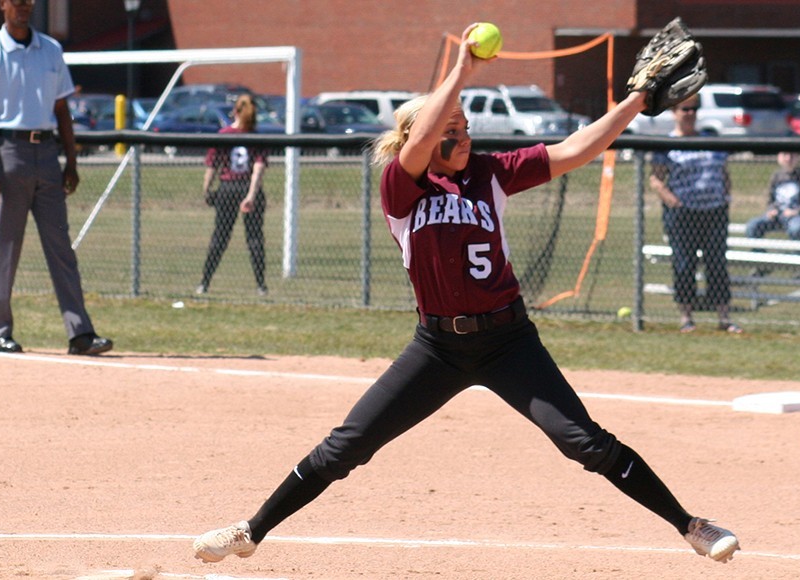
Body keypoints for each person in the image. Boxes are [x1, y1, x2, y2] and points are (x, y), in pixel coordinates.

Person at [192, 24, 739, 565]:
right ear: (420, 140)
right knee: (347, 447)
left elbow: (575, 149)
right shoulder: (400, 187)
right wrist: (462, 71)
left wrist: (638, 99)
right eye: (453, 126)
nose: (466, 134)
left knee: (585, 443)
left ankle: (690, 525)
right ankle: (251, 530)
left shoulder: (490, 174)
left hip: (509, 342)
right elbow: (423, 138)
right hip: (436, 349)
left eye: (466, 124)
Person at [0, 0, 112, 356]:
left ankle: (81, 333)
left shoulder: (51, 50)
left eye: (29, 1)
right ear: (2, 5)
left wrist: (71, 160)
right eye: (17, 1)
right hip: (9, 153)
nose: (24, 7)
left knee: (61, 246)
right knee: (7, 247)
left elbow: (62, 110)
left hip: (46, 153)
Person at [648, 95, 741, 334]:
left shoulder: (710, 139)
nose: (689, 114)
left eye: (693, 109)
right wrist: (673, 202)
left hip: (714, 212)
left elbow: (724, 172)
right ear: (674, 112)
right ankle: (686, 317)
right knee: (684, 264)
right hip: (683, 215)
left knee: (717, 264)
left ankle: (724, 317)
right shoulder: (667, 144)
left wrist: (727, 196)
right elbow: (656, 180)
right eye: (684, 109)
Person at [196, 94, 269, 296]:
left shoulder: (224, 134)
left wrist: (207, 190)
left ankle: (204, 283)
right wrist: (252, 195)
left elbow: (212, 166)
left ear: (235, 112)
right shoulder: (256, 136)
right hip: (247, 186)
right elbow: (258, 168)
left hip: (228, 187)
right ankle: (261, 286)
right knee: (254, 238)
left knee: (220, 237)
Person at [744, 151, 800, 242]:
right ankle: (759, 254)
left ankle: (798, 255)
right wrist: (771, 210)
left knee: (796, 229)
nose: (788, 159)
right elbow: (770, 199)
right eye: (785, 155)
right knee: (752, 226)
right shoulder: (777, 176)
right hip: (777, 215)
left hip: (795, 216)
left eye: (792, 155)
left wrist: (796, 211)